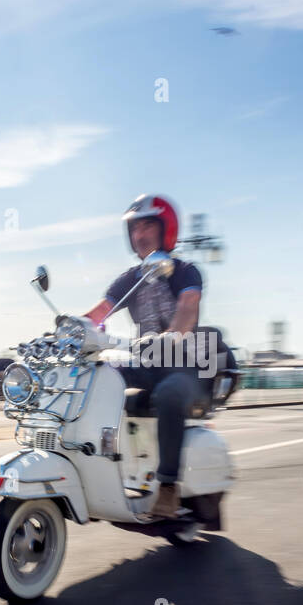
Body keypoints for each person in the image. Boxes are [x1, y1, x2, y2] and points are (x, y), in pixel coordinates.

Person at [83, 194, 203, 519]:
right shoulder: (130, 279)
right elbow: (99, 312)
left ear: (166, 229)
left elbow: (188, 309)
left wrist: (171, 337)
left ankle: (167, 487)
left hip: (184, 365)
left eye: (147, 224)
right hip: (145, 362)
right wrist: (66, 333)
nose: (139, 234)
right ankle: (94, 464)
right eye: (134, 228)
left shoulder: (185, 271)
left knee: (170, 393)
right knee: (97, 374)